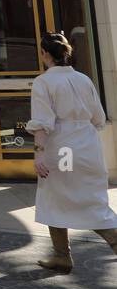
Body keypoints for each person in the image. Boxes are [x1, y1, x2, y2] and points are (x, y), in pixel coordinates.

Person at [29, 32, 117, 272]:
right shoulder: (84, 79)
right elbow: (98, 118)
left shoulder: (43, 82)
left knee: (55, 198)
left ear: (45, 54)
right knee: (90, 202)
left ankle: (62, 255)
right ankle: (61, 256)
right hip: (88, 145)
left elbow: (42, 123)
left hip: (60, 147)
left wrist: (38, 154)